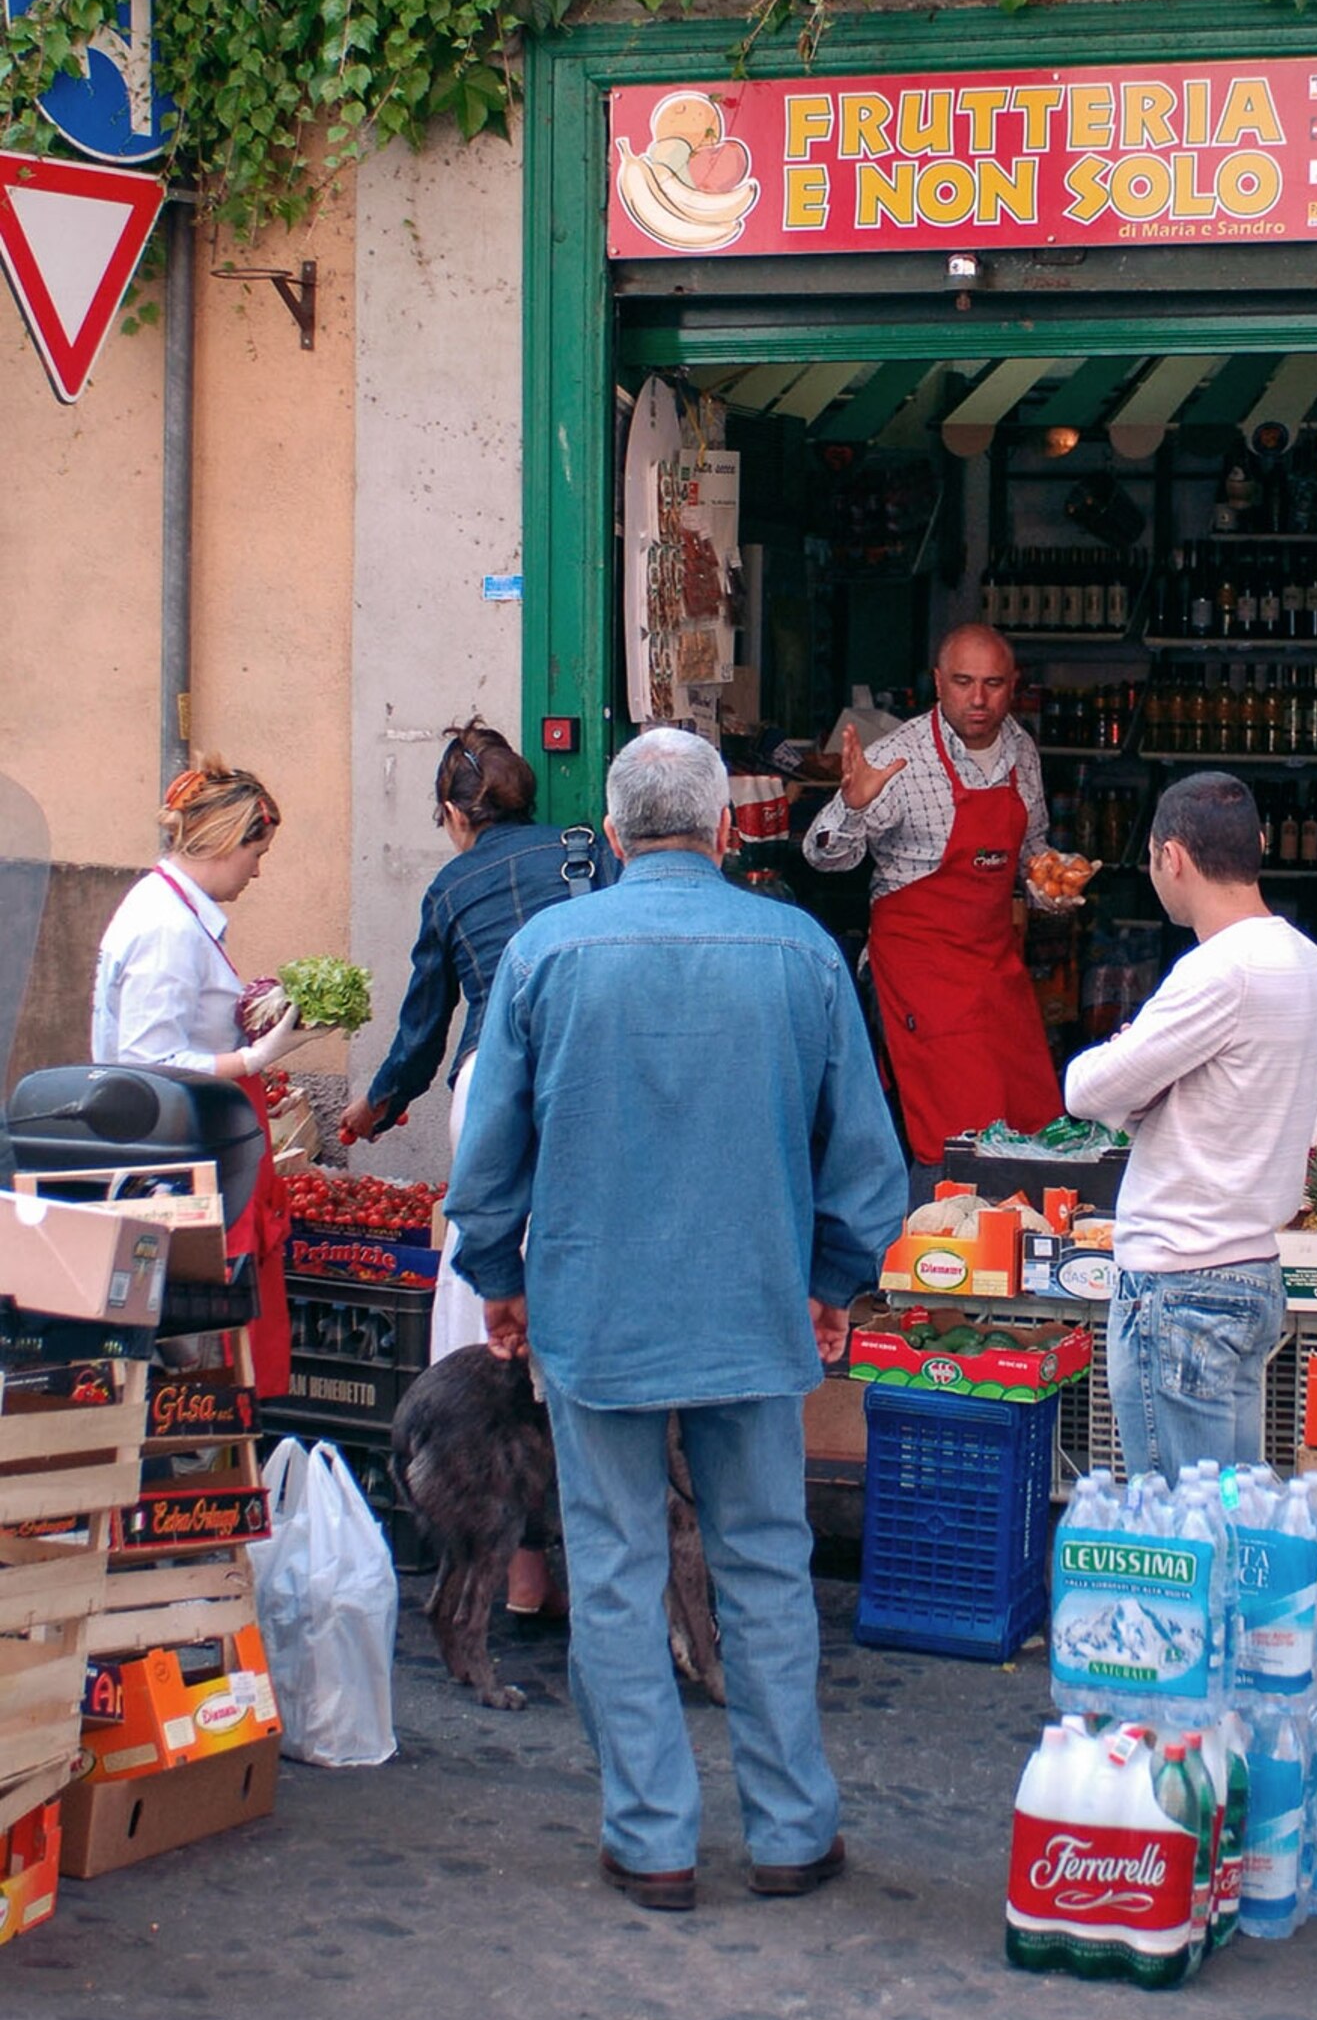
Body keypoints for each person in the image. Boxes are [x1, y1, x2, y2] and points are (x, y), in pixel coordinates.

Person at [448, 727, 906, 1910]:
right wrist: (833, 1282)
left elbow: (489, 1152)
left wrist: (496, 1274)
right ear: (724, 829)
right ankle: (790, 1830)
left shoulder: (547, 951)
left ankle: (651, 1839)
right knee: (766, 1567)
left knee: (612, 1568)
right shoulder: (799, 951)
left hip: (595, 1307)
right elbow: (866, 1161)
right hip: (753, 1306)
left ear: (611, 835)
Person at [339, 719, 611, 1618]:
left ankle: (520, 1579)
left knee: (488, 1315)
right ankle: (606, 1567)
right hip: (592, 1090)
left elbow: (423, 1028)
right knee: (591, 1306)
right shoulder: (592, 854)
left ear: (456, 813)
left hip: (495, 1091)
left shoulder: (453, 884)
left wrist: (374, 1107)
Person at [1063, 772, 1317, 1480]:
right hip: (1252, 1270)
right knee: (1229, 1506)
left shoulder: (1220, 971)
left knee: (1181, 1521)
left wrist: (1130, 1056)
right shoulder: (1307, 962)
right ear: (1258, 846)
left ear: (1172, 857)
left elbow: (1086, 1089)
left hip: (1181, 1284)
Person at [801, 622, 1064, 1162]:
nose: (978, 699)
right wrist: (851, 807)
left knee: (1035, 1124)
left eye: (993, 683)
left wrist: (1050, 881)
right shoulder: (900, 759)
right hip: (920, 975)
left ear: (1013, 684)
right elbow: (822, 857)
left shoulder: (1022, 749)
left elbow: (1031, 850)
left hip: (996, 970)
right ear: (938, 682)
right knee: (964, 1138)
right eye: (963, 682)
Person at [92, 757, 309, 1396]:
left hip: (189, 1149)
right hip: (178, 1161)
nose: (257, 871)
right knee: (201, 1357)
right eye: (256, 854)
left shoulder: (167, 910)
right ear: (224, 841)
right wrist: (254, 1058)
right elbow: (148, 1063)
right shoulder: (167, 928)